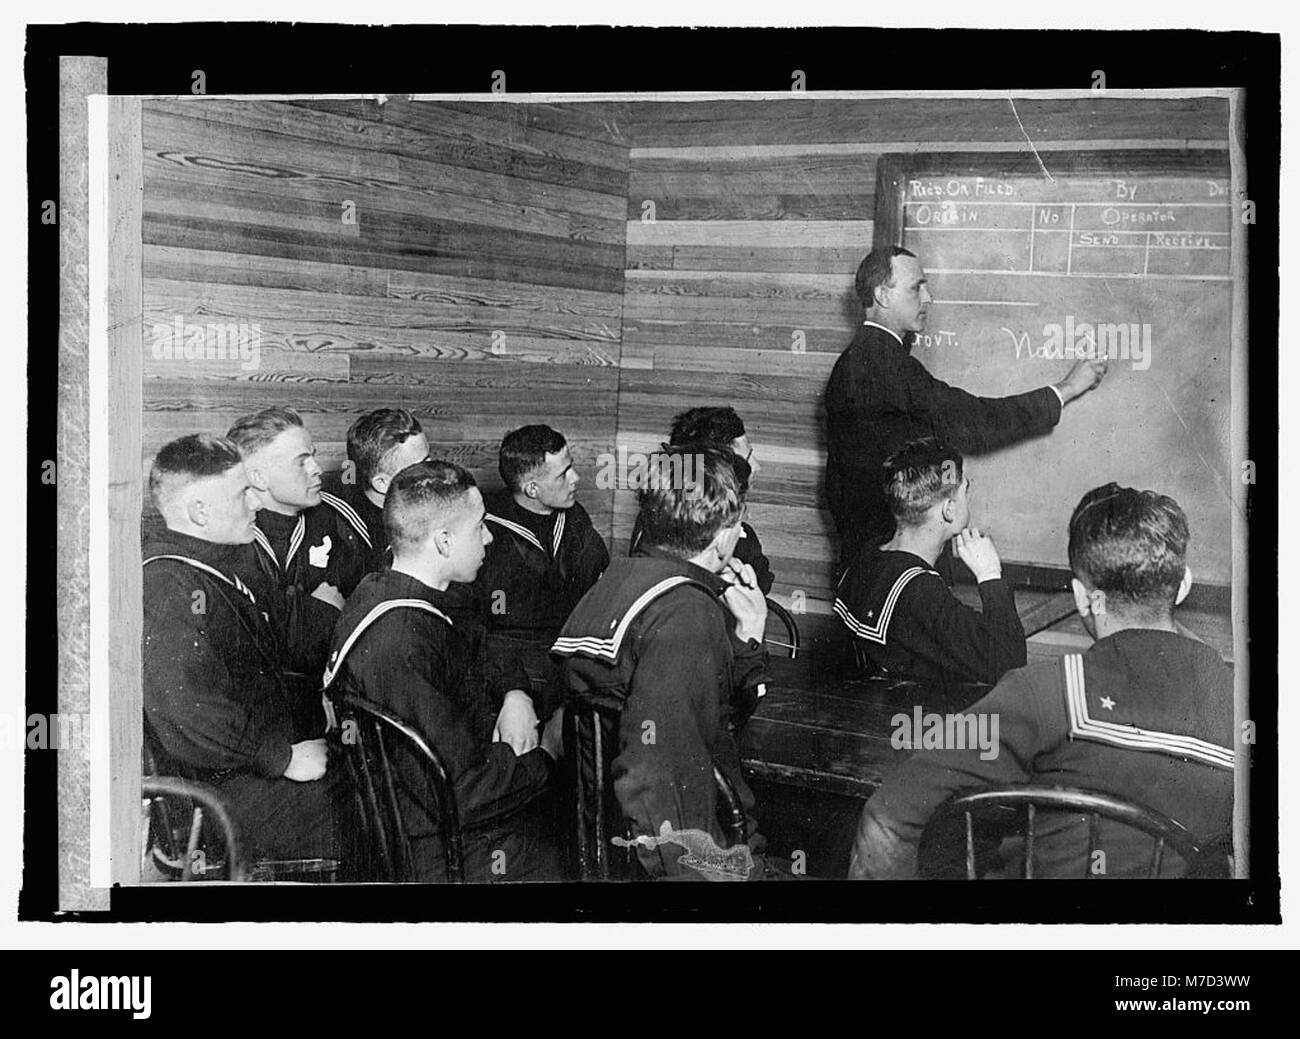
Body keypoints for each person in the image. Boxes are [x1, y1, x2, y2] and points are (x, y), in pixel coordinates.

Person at [849, 483, 1235, 880]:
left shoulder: (1048, 693)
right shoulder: (1236, 708)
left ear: (1081, 597)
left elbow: (888, 816)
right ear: (1184, 585)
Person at [323, 461, 563, 882]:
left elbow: (478, 641)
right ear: (445, 540)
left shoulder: (383, 589)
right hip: (441, 850)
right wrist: (546, 756)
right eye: (481, 526)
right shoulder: (402, 642)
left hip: (431, 812)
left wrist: (515, 695)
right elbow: (462, 792)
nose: (489, 537)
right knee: (569, 838)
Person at [553, 448, 771, 880]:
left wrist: (747, 635)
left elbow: (705, 718)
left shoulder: (615, 579)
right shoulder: (688, 612)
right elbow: (657, 771)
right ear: (726, 536)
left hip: (598, 840)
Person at [825, 245, 1108, 569]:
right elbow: (974, 421)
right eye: (917, 287)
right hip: (892, 560)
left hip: (867, 557)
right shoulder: (884, 364)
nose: (928, 297)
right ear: (883, 295)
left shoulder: (859, 359)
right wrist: (1067, 389)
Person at [141, 434, 348, 865]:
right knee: (374, 809)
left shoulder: (221, 563)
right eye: (242, 494)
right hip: (214, 798)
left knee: (376, 781)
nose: (255, 504)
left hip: (246, 770)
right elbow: (190, 711)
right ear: (199, 511)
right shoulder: (167, 584)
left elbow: (284, 630)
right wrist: (283, 757)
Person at [834, 438, 1027, 703]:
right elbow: (1008, 662)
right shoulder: (919, 590)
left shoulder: (867, 557)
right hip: (905, 732)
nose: (967, 498)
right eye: (965, 490)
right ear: (949, 510)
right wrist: (990, 575)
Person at [225, 406, 368, 734]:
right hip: (259, 722)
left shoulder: (334, 517)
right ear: (258, 477)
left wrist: (295, 611)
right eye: (301, 461)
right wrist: (323, 612)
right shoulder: (229, 535)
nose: (317, 469)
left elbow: (363, 613)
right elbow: (257, 647)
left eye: (313, 456)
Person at [470, 424, 609, 719]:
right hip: (506, 660)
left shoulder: (575, 518)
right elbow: (476, 627)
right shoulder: (485, 529)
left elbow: (598, 581)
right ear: (532, 489)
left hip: (565, 650)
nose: (576, 479)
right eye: (564, 474)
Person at [628, 406, 775, 595]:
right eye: (748, 457)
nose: (756, 465)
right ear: (720, 465)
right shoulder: (735, 542)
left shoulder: (655, 514)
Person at [320, 407, 430, 576]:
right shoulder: (331, 518)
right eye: (419, 467)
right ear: (382, 483)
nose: (432, 470)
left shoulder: (436, 491)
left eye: (429, 458)